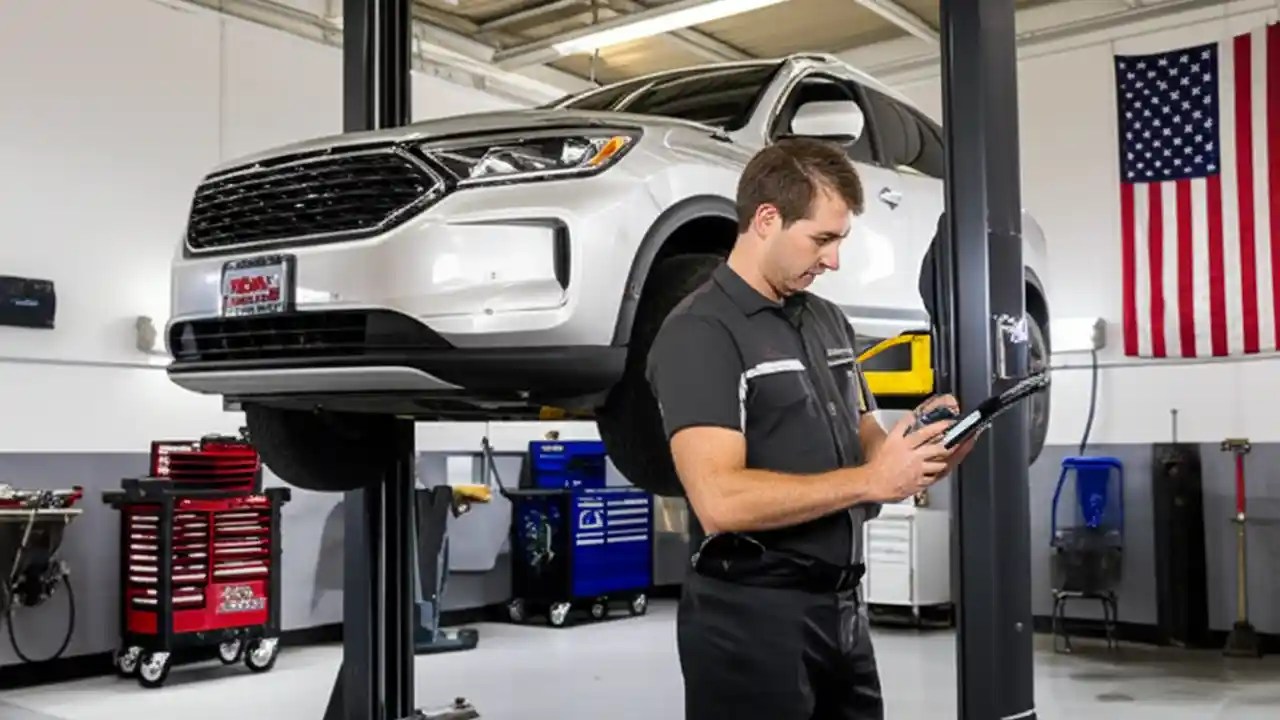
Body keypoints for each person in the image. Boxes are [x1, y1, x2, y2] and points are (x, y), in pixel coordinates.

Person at [645, 137, 977, 719]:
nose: (833, 261)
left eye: (840, 240)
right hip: (750, 620)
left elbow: (865, 435)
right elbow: (719, 499)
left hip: (843, 611)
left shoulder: (828, 320)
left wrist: (920, 449)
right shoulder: (700, 332)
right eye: (822, 239)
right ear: (766, 220)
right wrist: (871, 481)